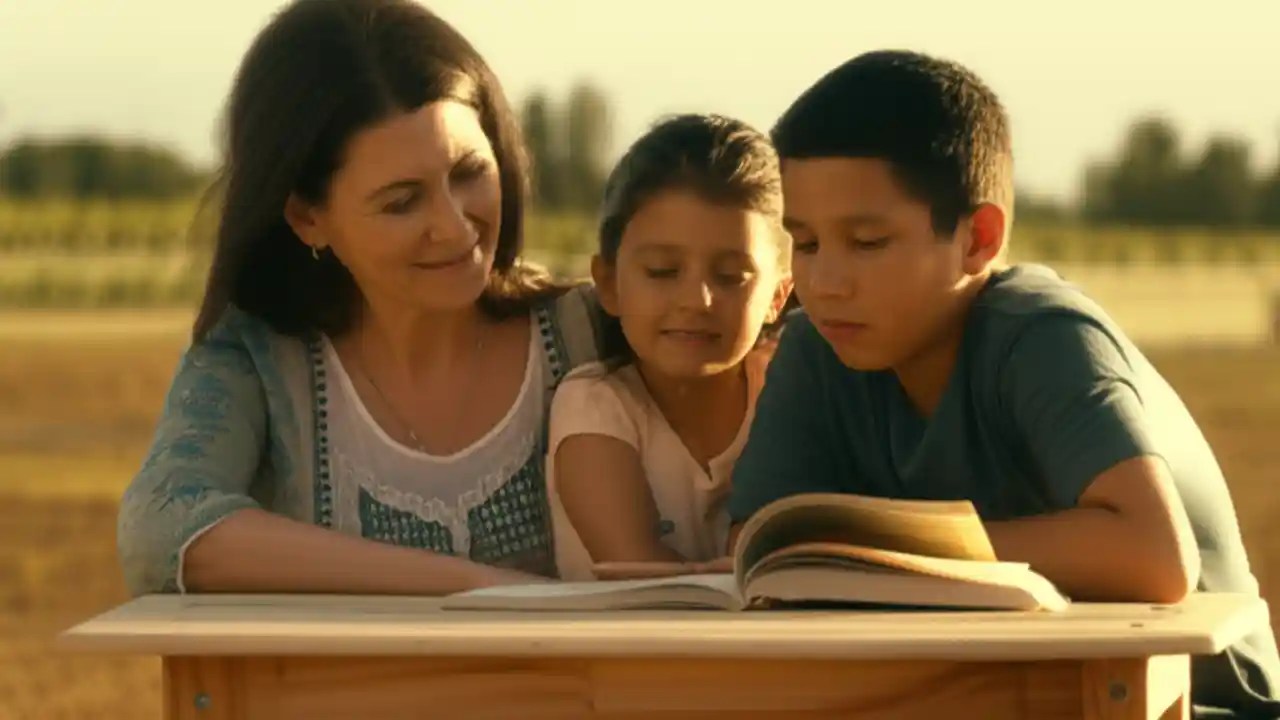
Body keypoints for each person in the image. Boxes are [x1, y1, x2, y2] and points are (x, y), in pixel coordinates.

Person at [726, 50, 1280, 716]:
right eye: (806, 244)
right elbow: (761, 548)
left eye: (867, 242)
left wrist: (897, 555)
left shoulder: (1042, 336)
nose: (825, 281)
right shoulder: (819, 346)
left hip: (1195, 701)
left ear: (978, 239)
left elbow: (1154, 558)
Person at [116, 0, 602, 598]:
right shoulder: (259, 360)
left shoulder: (596, 332)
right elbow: (160, 533)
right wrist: (469, 587)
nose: (454, 227)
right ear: (306, 217)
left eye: (469, 172)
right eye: (402, 201)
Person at [546, 114, 791, 580]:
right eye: (661, 271)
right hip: (620, 649)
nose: (695, 300)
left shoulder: (787, 392)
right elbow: (631, 567)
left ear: (778, 295)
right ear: (609, 285)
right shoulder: (596, 405)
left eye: (730, 277)